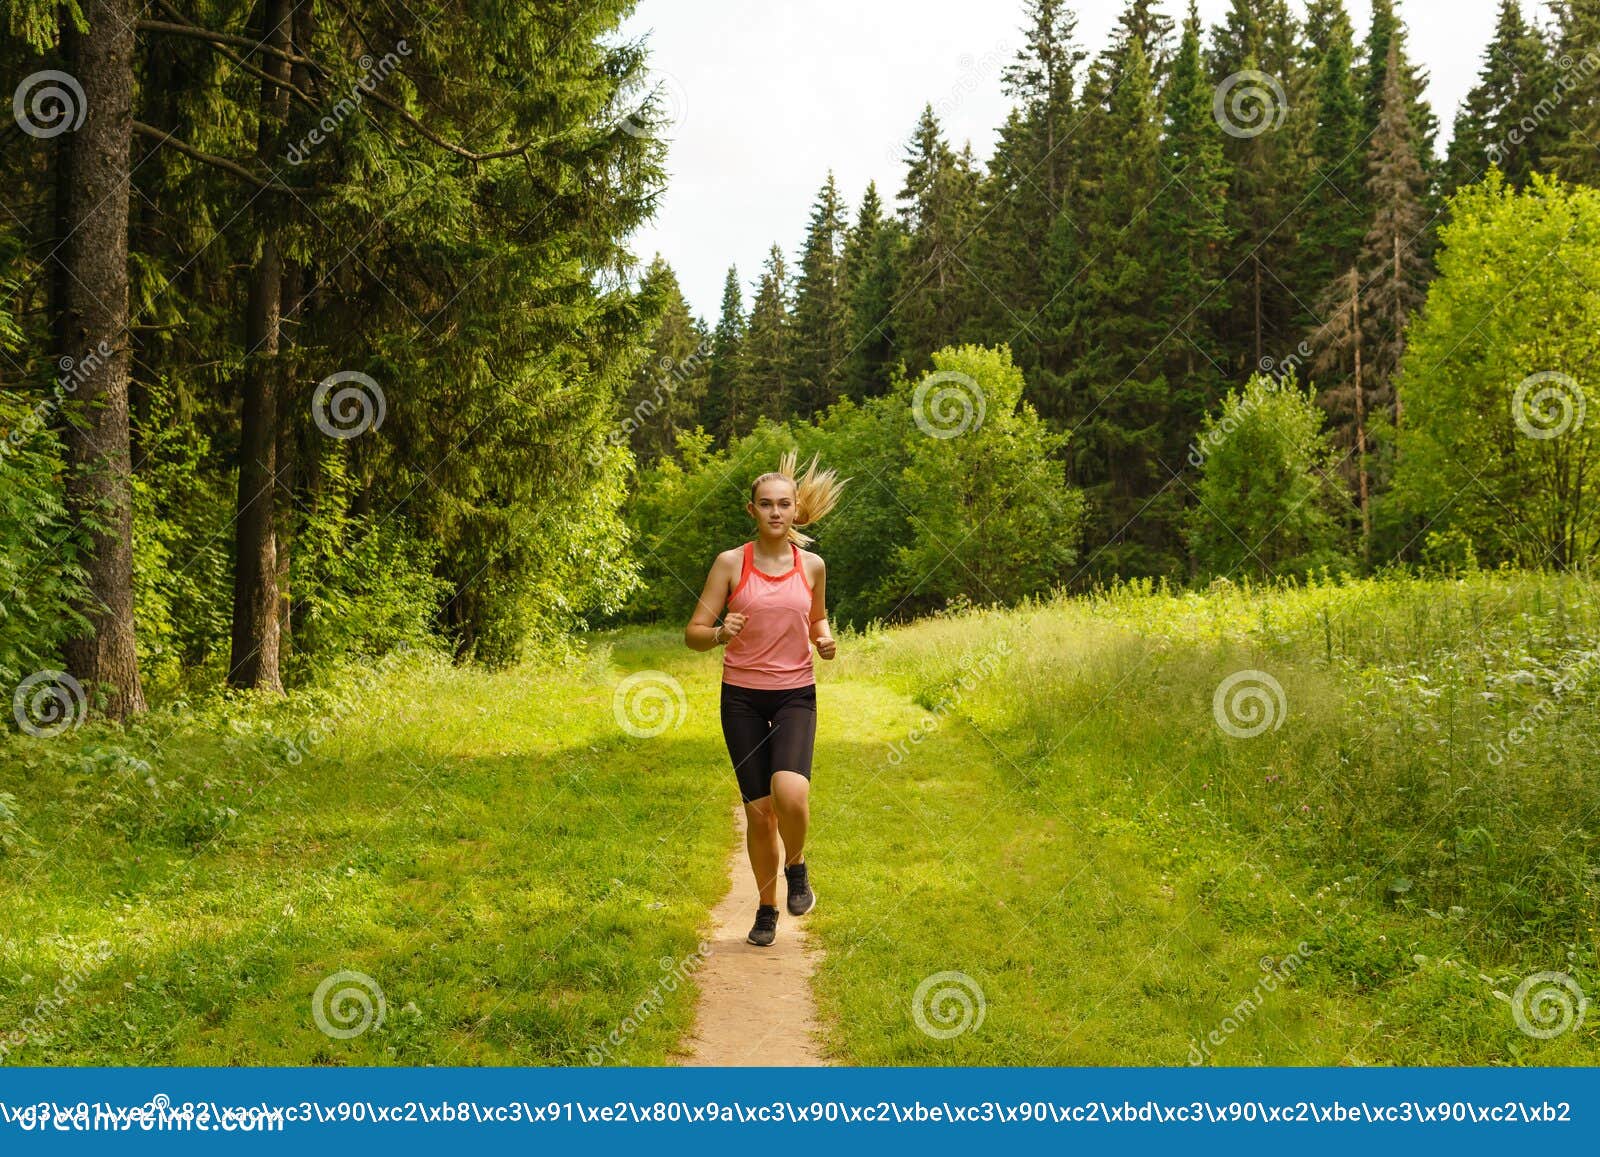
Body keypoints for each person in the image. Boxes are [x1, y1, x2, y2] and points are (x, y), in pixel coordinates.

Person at [684, 450, 848, 946]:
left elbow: (816, 617)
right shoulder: (731, 564)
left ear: (797, 509)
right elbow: (693, 632)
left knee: (790, 792)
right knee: (759, 811)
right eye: (765, 504)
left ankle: (796, 865)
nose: (775, 512)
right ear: (752, 510)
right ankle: (767, 906)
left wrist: (824, 638)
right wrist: (718, 633)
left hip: (795, 693)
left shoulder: (813, 566)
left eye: (783, 504)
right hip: (742, 699)